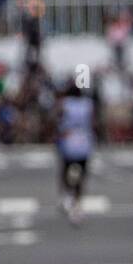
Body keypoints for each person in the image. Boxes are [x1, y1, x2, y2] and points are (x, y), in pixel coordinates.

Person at [55, 82, 98, 225]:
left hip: (69, 139)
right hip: (84, 140)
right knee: (82, 173)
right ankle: (77, 200)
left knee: (65, 169)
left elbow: (58, 119)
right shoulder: (88, 104)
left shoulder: (65, 103)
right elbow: (93, 122)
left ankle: (66, 195)